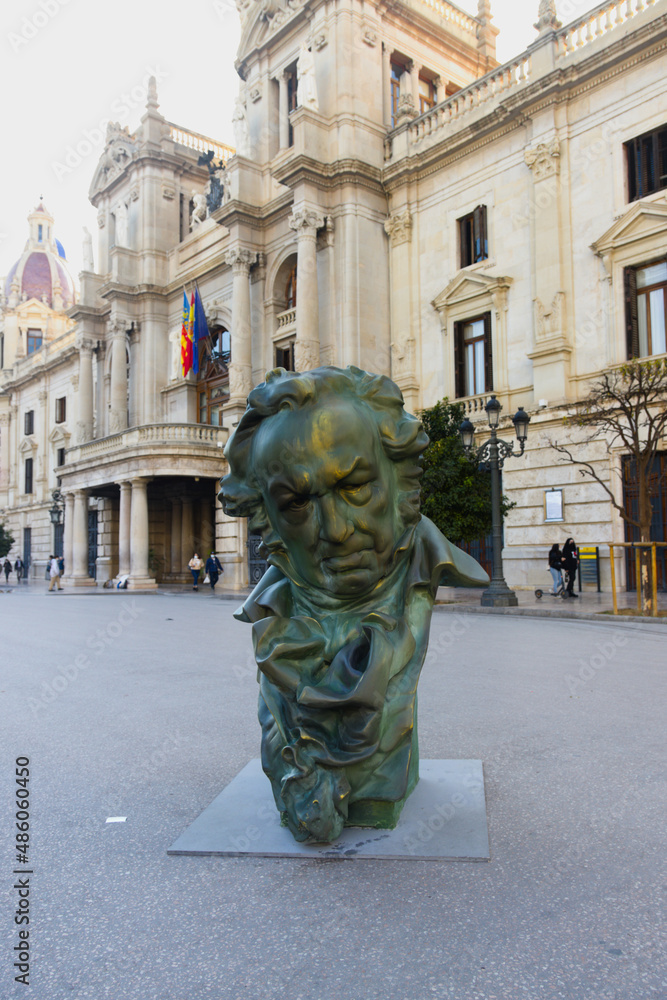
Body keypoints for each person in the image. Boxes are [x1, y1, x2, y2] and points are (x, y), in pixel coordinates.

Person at [220, 365, 489, 843]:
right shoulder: (272, 622)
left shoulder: (417, 579)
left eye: (355, 487)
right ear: (268, 517)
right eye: (298, 504)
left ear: (399, 476)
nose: (337, 529)